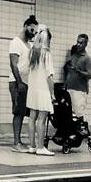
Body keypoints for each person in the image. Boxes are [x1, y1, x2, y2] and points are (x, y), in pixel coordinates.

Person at [7, 15, 37, 150]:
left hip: (26, 82)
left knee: (24, 112)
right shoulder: (16, 42)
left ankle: (19, 140)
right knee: (18, 112)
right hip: (17, 81)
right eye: (31, 30)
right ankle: (16, 143)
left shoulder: (29, 44)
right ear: (25, 27)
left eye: (35, 32)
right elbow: (13, 65)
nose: (33, 34)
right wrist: (19, 82)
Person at [26, 26, 56, 155]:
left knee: (32, 118)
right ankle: (40, 147)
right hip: (43, 90)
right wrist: (52, 94)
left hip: (33, 89)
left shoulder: (32, 53)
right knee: (42, 119)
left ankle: (32, 146)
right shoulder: (46, 54)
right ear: (47, 39)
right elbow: (49, 76)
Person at [63, 33, 91, 121]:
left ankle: (80, 131)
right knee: (69, 113)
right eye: (78, 42)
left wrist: (78, 71)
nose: (78, 45)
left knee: (79, 113)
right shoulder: (73, 56)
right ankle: (71, 132)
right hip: (69, 88)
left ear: (86, 44)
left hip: (80, 90)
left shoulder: (87, 59)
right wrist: (65, 85)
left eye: (81, 43)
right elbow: (69, 72)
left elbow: (90, 75)